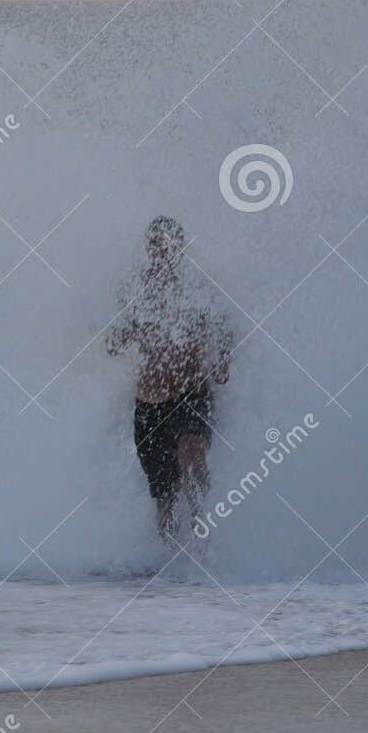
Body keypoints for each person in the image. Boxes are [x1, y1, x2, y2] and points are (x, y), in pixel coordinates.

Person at [106, 217, 234, 547]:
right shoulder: (134, 290)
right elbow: (114, 342)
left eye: (170, 245)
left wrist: (221, 359)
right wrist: (124, 333)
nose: (163, 251)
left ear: (180, 249)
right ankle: (169, 572)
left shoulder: (198, 288)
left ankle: (207, 544)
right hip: (149, 403)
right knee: (165, 495)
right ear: (149, 249)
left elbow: (222, 327)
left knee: (193, 458)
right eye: (157, 245)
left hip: (191, 391)